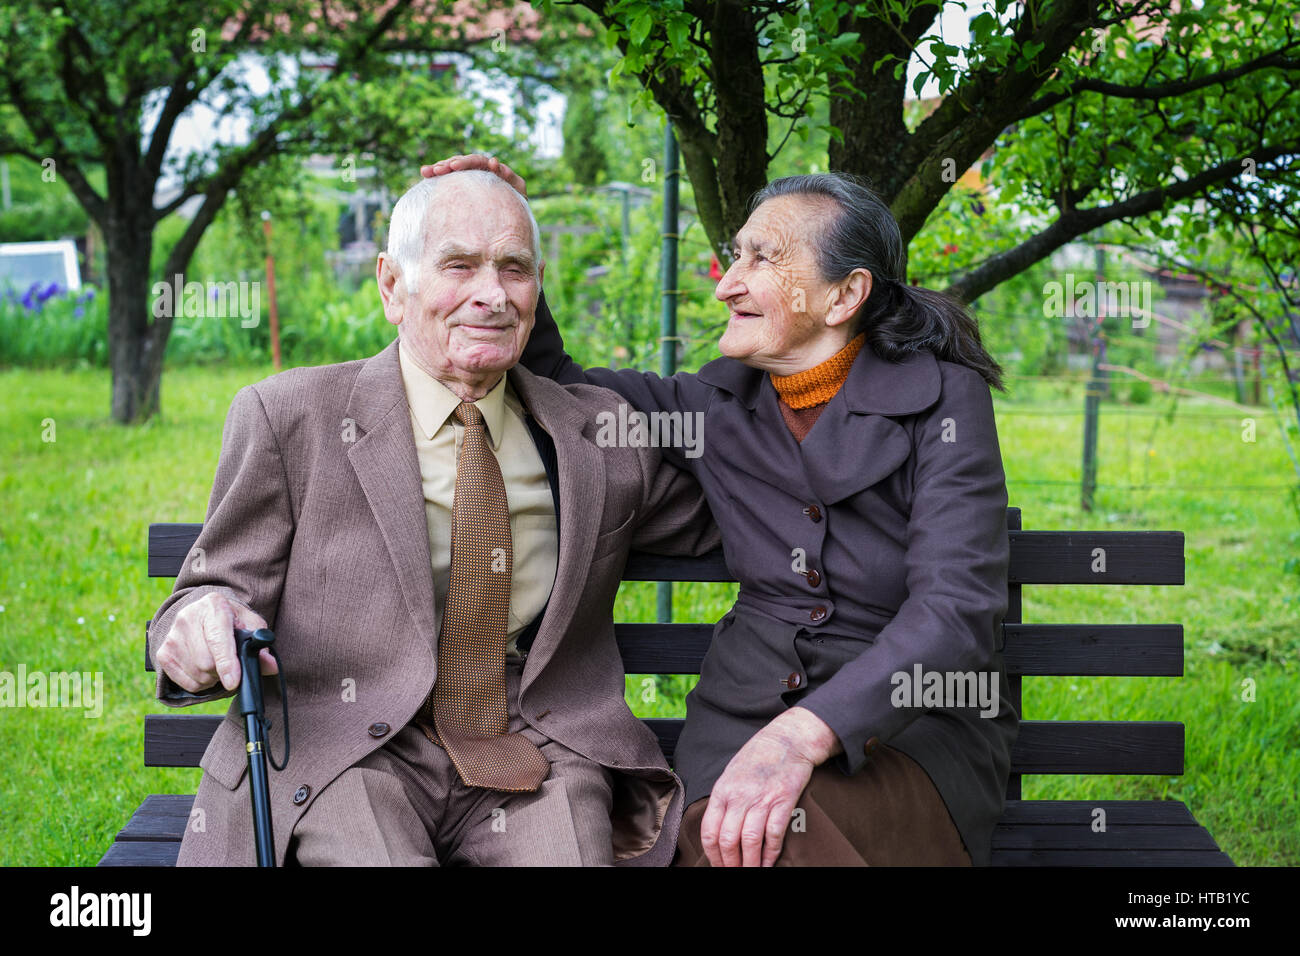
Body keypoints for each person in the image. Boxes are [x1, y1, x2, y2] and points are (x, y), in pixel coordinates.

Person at [421, 156, 1018, 867]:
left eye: (761, 259)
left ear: (844, 295)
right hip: (740, 727)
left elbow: (956, 610)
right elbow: (561, 388)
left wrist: (804, 736)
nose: (727, 283)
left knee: (783, 840)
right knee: (746, 840)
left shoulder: (942, 401)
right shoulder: (711, 406)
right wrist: (511, 241)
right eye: (735, 256)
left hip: (910, 735)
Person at [148, 169, 718, 866]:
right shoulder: (291, 417)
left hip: (535, 747)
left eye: (515, 269)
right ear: (392, 286)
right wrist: (197, 627)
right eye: (460, 266)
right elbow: (211, 589)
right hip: (348, 749)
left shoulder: (597, 435)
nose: (493, 294)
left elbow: (746, 514)